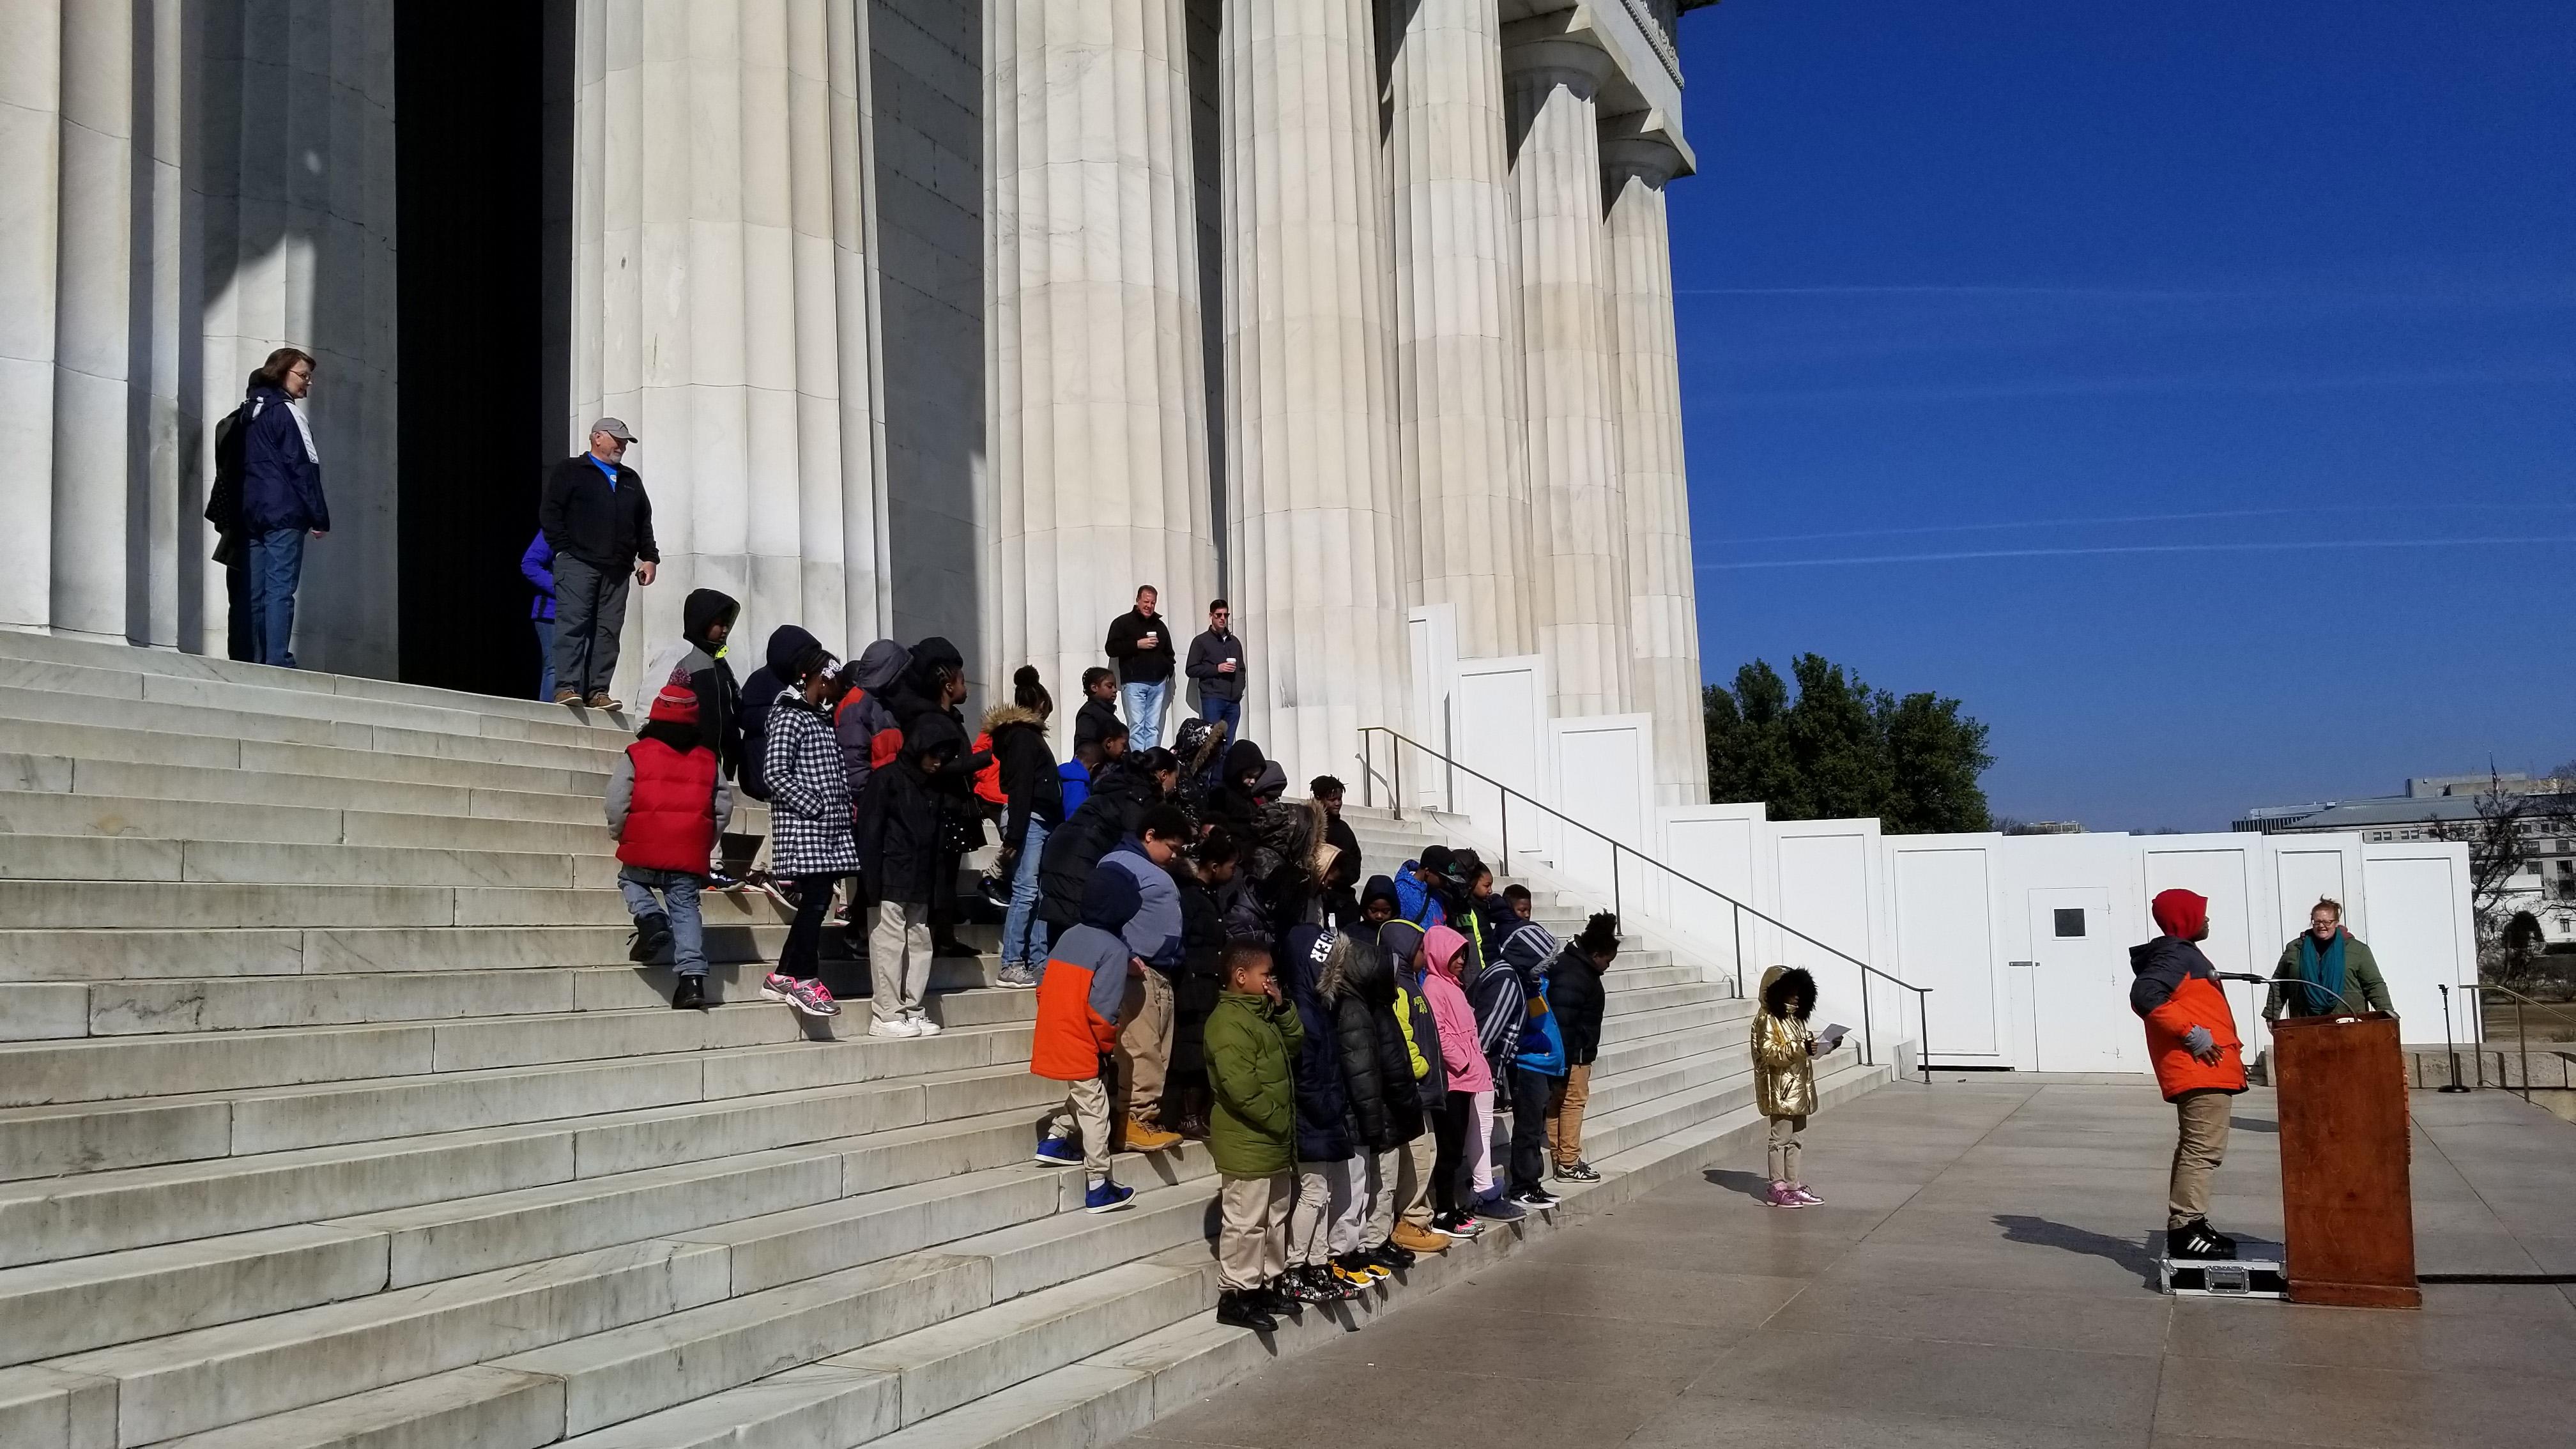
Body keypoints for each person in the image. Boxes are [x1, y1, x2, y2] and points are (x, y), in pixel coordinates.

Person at [2130, 888, 2247, 1260]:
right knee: (2203, 1150)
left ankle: (2192, 1224)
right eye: (2202, 914)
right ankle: (2186, 1228)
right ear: (2186, 920)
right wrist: (2193, 1034)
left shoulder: (2182, 954)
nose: (2208, 920)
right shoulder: (2177, 954)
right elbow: (2145, 994)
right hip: (2201, 1069)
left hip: (2207, 1068)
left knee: (2197, 1148)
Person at [606, 677, 732, 1011]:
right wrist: (704, 840)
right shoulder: (708, 759)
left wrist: (619, 832)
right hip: (687, 852)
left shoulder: (637, 753)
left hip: (644, 848)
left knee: (629, 879)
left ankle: (649, 916)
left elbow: (617, 801)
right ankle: (692, 981)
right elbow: (723, 807)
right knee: (686, 909)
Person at [1030, 867, 1147, 1215]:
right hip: (1083, 1037)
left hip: (1054, 1028)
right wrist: (1105, 1046)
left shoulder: (1070, 936)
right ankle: (1099, 1184)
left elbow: (1043, 985)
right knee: (1097, 1108)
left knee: (1084, 1091)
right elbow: (1103, 1009)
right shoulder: (1112, 949)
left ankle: (1054, 1140)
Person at [1204, 939, 1305, 1330]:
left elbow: (1294, 1044)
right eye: (1266, 975)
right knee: (1246, 1221)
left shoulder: (1262, 1014)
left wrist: (1282, 1007)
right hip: (1250, 1138)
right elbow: (1241, 1089)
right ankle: (1237, 1294)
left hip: (1273, 1139)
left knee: (1275, 1216)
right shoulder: (1227, 1023)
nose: (1270, 982)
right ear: (1240, 976)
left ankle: (1266, 1282)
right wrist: (1280, 1120)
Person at [756, 641, 850, 1019]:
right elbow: (774, 773)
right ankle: (804, 977)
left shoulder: (820, 717)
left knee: (817, 904)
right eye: (832, 677)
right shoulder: (789, 716)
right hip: (804, 828)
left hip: (827, 830)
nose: (837, 685)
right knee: (814, 904)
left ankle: (783, 975)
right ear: (814, 678)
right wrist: (815, 805)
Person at [539, 418, 657, 709]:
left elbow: (643, 523)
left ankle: (598, 691)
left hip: (617, 568)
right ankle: (566, 687)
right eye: (616, 439)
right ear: (596, 438)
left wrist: (650, 558)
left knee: (609, 631)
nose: (621, 446)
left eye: (625, 441)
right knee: (573, 625)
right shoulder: (571, 471)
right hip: (578, 563)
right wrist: (564, 550)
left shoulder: (630, 479)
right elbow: (551, 512)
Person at [855, 703, 956, 1039]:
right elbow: (870, 831)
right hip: (889, 877)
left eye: (943, 755)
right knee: (889, 944)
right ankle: (886, 1013)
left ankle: (912, 1007)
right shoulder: (886, 779)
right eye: (933, 754)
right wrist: (869, 883)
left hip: (919, 878)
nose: (937, 761)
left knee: (919, 942)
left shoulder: (933, 787)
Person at [1281, 924, 1363, 1302]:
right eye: (1332, 966)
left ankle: (1316, 1264)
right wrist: (1330, 1108)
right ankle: (1296, 1268)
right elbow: (1306, 1076)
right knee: (1313, 1194)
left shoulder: (1320, 1008)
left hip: (1324, 1117)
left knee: (1323, 1194)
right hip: (1312, 1118)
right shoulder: (1304, 1012)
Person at [1101, 806, 1190, 1151]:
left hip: (1159, 971)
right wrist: (1123, 955)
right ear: (1149, 835)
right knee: (1141, 1050)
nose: (1174, 856)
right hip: (1138, 972)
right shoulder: (1119, 864)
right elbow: (1103, 913)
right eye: (1172, 847)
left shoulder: (1142, 866)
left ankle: (1139, 1120)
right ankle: (1135, 1120)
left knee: (1156, 1050)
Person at [1346, 921, 1428, 1277]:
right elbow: (1388, 1066)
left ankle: (1378, 1240)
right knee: (1375, 1184)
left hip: (1389, 1112)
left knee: (1385, 1183)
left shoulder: (1381, 1007)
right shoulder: (1367, 1011)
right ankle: (1369, 1243)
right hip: (1380, 1112)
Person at [238, 348, 328, 670]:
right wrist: (319, 517)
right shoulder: (287, 412)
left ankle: (254, 657)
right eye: (303, 375)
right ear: (282, 372)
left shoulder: (248, 412)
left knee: (256, 590)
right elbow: (304, 465)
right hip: (285, 512)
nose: (308, 383)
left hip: (252, 512)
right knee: (280, 587)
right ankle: (278, 659)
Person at [1374, 916, 1452, 1256]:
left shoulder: (1410, 983)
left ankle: (1417, 1219)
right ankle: (1412, 1221)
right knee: (1420, 1157)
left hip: (1421, 1090)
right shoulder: (1399, 989)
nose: (1424, 954)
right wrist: (1420, 1068)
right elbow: (1402, 1038)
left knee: (1427, 1154)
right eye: (1419, 948)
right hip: (1414, 1090)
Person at [989, 668, 1062, 988]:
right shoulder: (1022, 737)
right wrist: (1015, 835)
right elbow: (1021, 787)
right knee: (1026, 891)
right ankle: (1011, 962)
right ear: (1039, 706)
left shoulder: (1025, 737)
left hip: (1040, 819)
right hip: (1029, 820)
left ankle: (1037, 959)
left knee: (1038, 892)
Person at [1418, 923, 1492, 1238]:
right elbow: (1441, 1035)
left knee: (1455, 1146)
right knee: (1448, 1149)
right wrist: (1463, 1064)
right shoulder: (1435, 987)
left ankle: (1449, 1207)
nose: (1462, 960)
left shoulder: (1453, 985)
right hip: (1453, 1080)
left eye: (1464, 954)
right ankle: (1443, 1210)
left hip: (1465, 1078)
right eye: (1456, 955)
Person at [1464, 910, 1530, 1223]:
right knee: (1481, 1128)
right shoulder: (1506, 980)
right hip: (1479, 1068)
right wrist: (1485, 1067)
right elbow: (1485, 1032)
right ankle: (1482, 1191)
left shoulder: (1506, 974)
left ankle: (1483, 1187)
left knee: (1482, 1128)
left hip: (1482, 1067)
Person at [1498, 920, 1568, 1211]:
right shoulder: (1513, 985)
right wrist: (1537, 1045)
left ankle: (1533, 1183)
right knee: (1527, 1129)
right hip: (1529, 1066)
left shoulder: (1535, 985)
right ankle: (1523, 1185)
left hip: (1544, 1066)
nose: (1547, 967)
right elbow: (1511, 1030)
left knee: (1535, 1127)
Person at [1753, 965, 1835, 1209]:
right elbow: (1770, 1053)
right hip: (1780, 1088)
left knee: (1796, 1139)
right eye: (1792, 991)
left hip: (1799, 1087)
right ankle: (1776, 1187)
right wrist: (1802, 1048)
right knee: (1780, 1139)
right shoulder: (1766, 1019)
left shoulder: (1796, 1019)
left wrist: (1826, 1045)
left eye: (1800, 991)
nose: (1797, 996)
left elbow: (1806, 1047)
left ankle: (1793, 1185)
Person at [641, 590, 744, 782]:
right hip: (684, 763)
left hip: (721, 769)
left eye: (727, 624)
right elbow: (648, 707)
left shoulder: (721, 664)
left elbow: (736, 707)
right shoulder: (678, 655)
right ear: (703, 622)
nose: (724, 630)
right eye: (719, 624)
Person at [1546, 913, 1618, 1183]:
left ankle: (1562, 1157)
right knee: (1572, 1103)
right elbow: (1565, 1020)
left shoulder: (1576, 967)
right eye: (1607, 961)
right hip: (1573, 1054)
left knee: (1558, 1103)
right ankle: (1567, 1161)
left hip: (1571, 1052)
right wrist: (1564, 1063)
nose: (1608, 967)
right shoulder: (1576, 975)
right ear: (1596, 953)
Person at [2266, 896, 2394, 1022]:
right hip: (2305, 1024)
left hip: (2348, 1023)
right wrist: (2271, 1016)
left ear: (2336, 922)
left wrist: (2387, 1013)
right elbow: (2279, 984)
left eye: (2327, 922)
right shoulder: (2295, 949)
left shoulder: (2357, 950)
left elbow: (2374, 985)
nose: (2322, 926)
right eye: (2317, 922)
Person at [1103, 585, 1176, 750]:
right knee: (1136, 727)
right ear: (1137, 600)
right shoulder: (1122, 623)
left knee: (1153, 728)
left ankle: (1151, 765)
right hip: (1134, 683)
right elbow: (1111, 649)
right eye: (1146, 601)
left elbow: (1170, 654)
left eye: (1153, 603)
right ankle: (1139, 765)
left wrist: (1166, 674)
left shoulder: (1160, 626)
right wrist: (1137, 644)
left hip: (1158, 685)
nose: (1149, 606)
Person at [1184, 599, 1246, 742]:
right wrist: (1217, 669)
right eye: (1219, 615)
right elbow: (1191, 669)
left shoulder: (1234, 642)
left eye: (1226, 615)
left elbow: (1242, 669)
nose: (1223, 619)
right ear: (1211, 616)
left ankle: (1225, 766)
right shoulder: (1201, 641)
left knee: (1228, 744)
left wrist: (1239, 690)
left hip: (1233, 701)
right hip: (1213, 699)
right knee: (1212, 745)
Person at [521, 532, 557, 700]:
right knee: (554, 667)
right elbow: (530, 564)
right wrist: (562, 589)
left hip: (582, 613)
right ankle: (548, 718)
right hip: (551, 612)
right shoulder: (554, 528)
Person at [1073, 667, 1123, 755]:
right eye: (1110, 686)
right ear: (1094, 688)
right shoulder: (1089, 713)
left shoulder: (1107, 713)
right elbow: (1085, 746)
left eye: (1115, 687)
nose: (1115, 690)